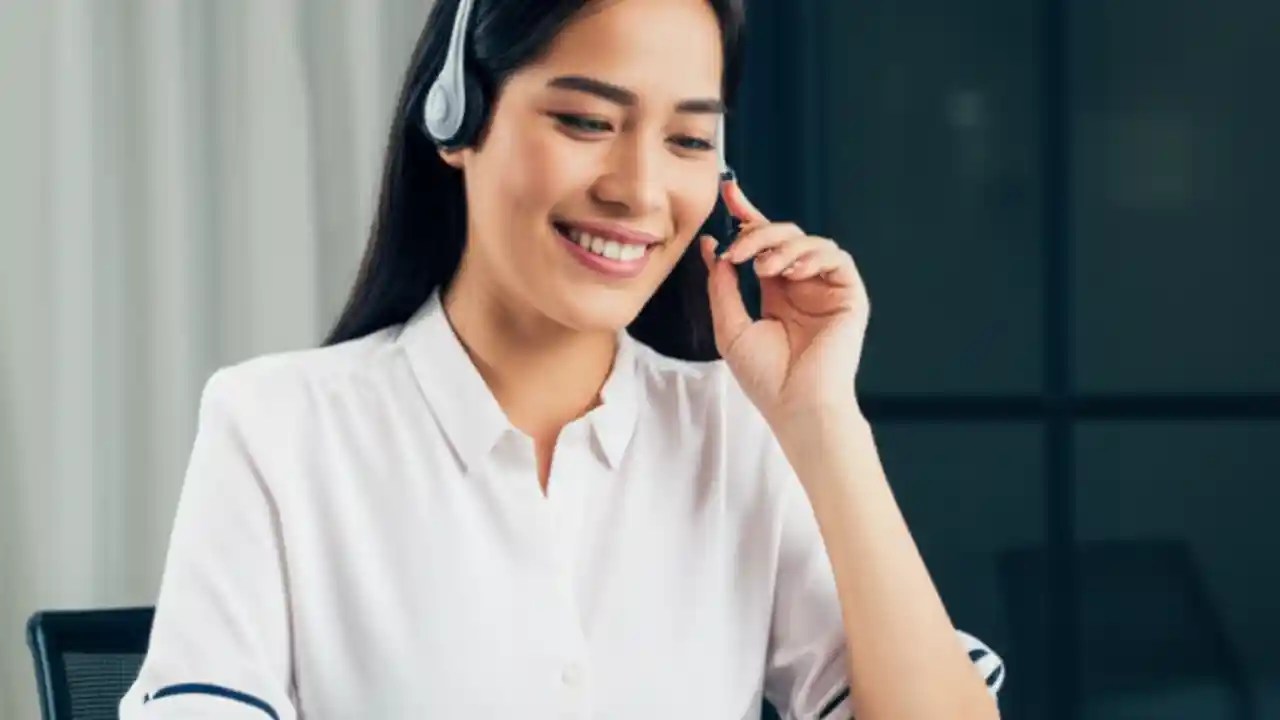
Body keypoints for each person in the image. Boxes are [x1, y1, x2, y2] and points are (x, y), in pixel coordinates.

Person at [120, 0, 1005, 717]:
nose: (640, 190)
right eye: (586, 120)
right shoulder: (277, 426)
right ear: (456, 116)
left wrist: (822, 423)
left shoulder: (736, 433)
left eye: (690, 140)